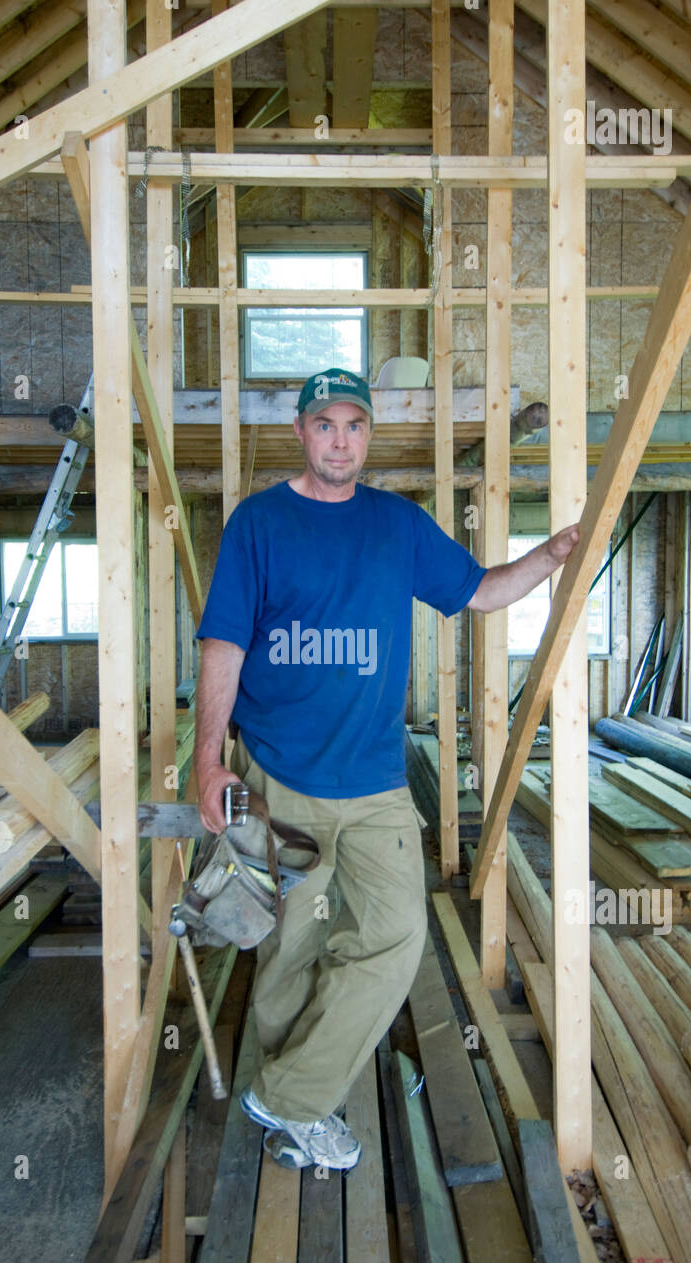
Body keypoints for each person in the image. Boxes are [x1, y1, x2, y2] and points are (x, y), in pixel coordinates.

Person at [193, 366, 579, 1171]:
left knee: (395, 932)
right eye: (325, 424)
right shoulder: (257, 524)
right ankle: (300, 1104)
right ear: (300, 432)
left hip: (373, 782)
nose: (340, 439)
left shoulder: (398, 524)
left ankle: (289, 1093)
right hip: (280, 774)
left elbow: (478, 591)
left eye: (354, 426)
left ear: (368, 435)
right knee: (291, 943)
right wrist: (206, 762)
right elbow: (222, 645)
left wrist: (549, 556)